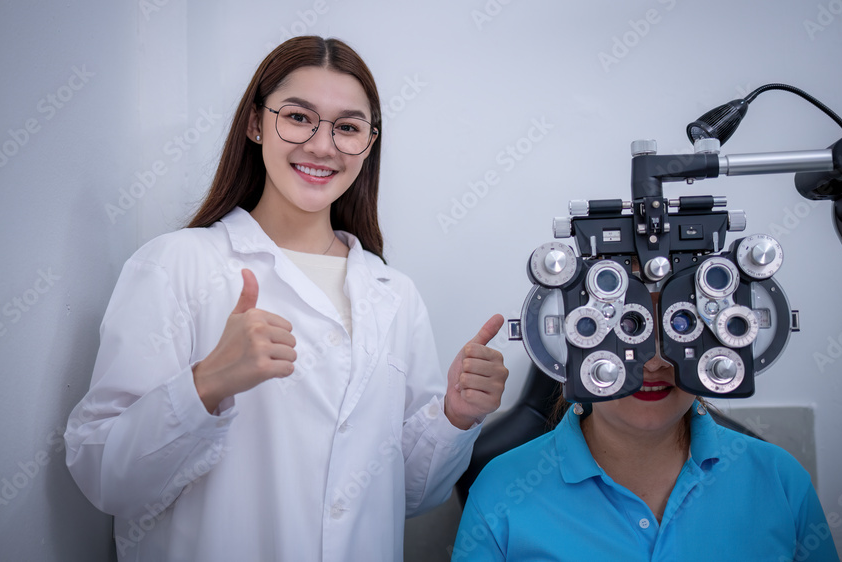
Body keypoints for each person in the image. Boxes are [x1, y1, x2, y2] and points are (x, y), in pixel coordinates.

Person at [64, 36, 509, 562]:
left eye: (347, 127)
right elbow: (105, 478)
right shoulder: (176, 265)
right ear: (255, 123)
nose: (323, 146)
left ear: (368, 144)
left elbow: (406, 496)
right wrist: (206, 385)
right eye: (298, 118)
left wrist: (455, 418)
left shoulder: (394, 294)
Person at [452, 293, 839, 561]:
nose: (654, 362)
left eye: (680, 325)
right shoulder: (501, 490)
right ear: (575, 341)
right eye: (629, 326)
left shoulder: (779, 481)